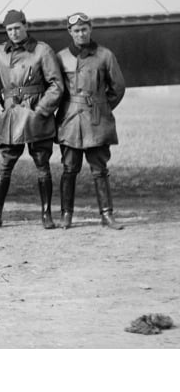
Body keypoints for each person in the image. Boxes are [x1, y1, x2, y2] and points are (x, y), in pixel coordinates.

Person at [0, 9, 64, 230]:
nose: (14, 33)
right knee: (5, 165)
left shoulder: (42, 50)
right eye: (9, 29)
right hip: (10, 114)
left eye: (17, 27)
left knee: (42, 165)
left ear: (26, 26)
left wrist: (41, 110)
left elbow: (56, 85)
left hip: (37, 114)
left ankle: (46, 214)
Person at [55, 12, 127, 229]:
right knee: (69, 169)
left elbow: (118, 88)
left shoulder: (105, 56)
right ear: (70, 32)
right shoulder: (60, 58)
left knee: (100, 169)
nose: (81, 34)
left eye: (84, 29)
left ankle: (107, 215)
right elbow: (55, 87)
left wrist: (101, 107)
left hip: (96, 121)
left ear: (91, 29)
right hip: (70, 121)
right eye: (76, 30)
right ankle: (66, 215)